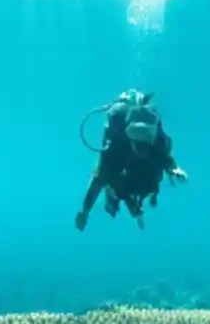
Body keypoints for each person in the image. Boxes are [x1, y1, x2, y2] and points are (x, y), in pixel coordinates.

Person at [75, 89, 188, 232]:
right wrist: (85, 211)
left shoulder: (156, 138)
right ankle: (117, 198)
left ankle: (132, 204)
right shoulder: (115, 145)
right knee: (112, 178)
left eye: (144, 146)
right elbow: (98, 179)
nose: (142, 151)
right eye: (138, 146)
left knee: (150, 179)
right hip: (121, 152)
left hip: (142, 150)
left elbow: (164, 156)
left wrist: (173, 168)